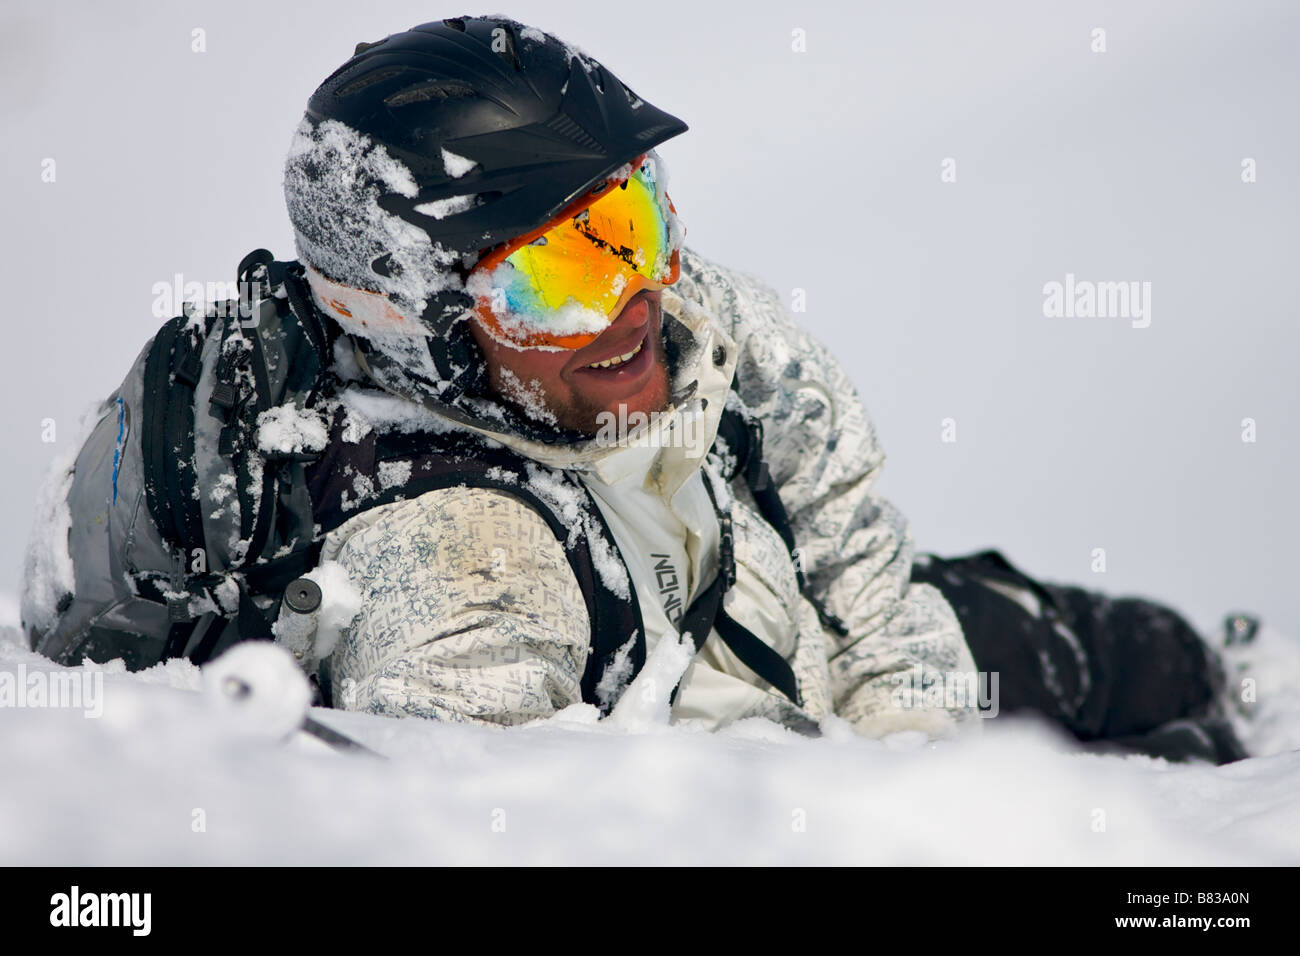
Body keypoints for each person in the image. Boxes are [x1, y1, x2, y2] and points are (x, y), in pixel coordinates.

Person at [25, 15, 1250, 762]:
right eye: (544, 277)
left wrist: (924, 743)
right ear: (418, 327)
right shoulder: (462, 575)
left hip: (766, 628)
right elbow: (583, 828)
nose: (625, 297)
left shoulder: (708, 325)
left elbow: (869, 586)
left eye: (627, 217)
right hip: (724, 749)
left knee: (1117, 652)